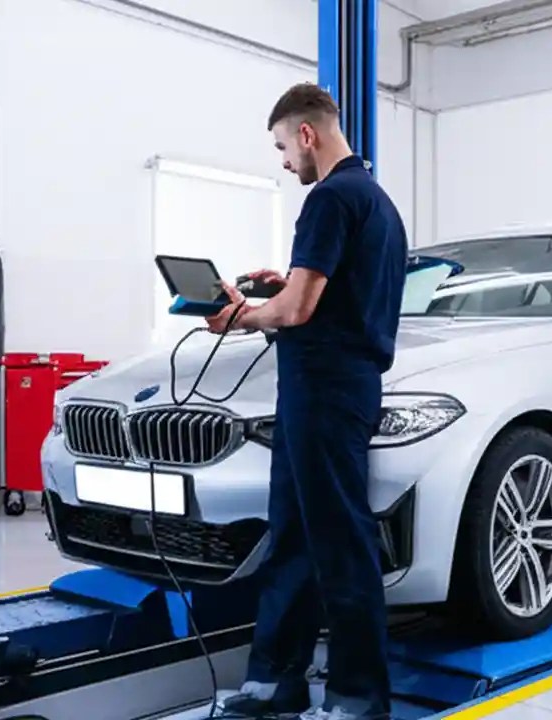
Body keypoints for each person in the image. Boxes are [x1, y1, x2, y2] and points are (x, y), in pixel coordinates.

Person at [204, 82, 408, 720]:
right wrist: (281, 280)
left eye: (282, 147)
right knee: (292, 533)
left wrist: (239, 315)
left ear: (308, 134)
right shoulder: (375, 201)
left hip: (326, 391)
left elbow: (296, 309)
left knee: (340, 540)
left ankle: (357, 698)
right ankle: (274, 681)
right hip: (323, 390)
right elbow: (318, 291)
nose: (284, 161)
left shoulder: (329, 197)